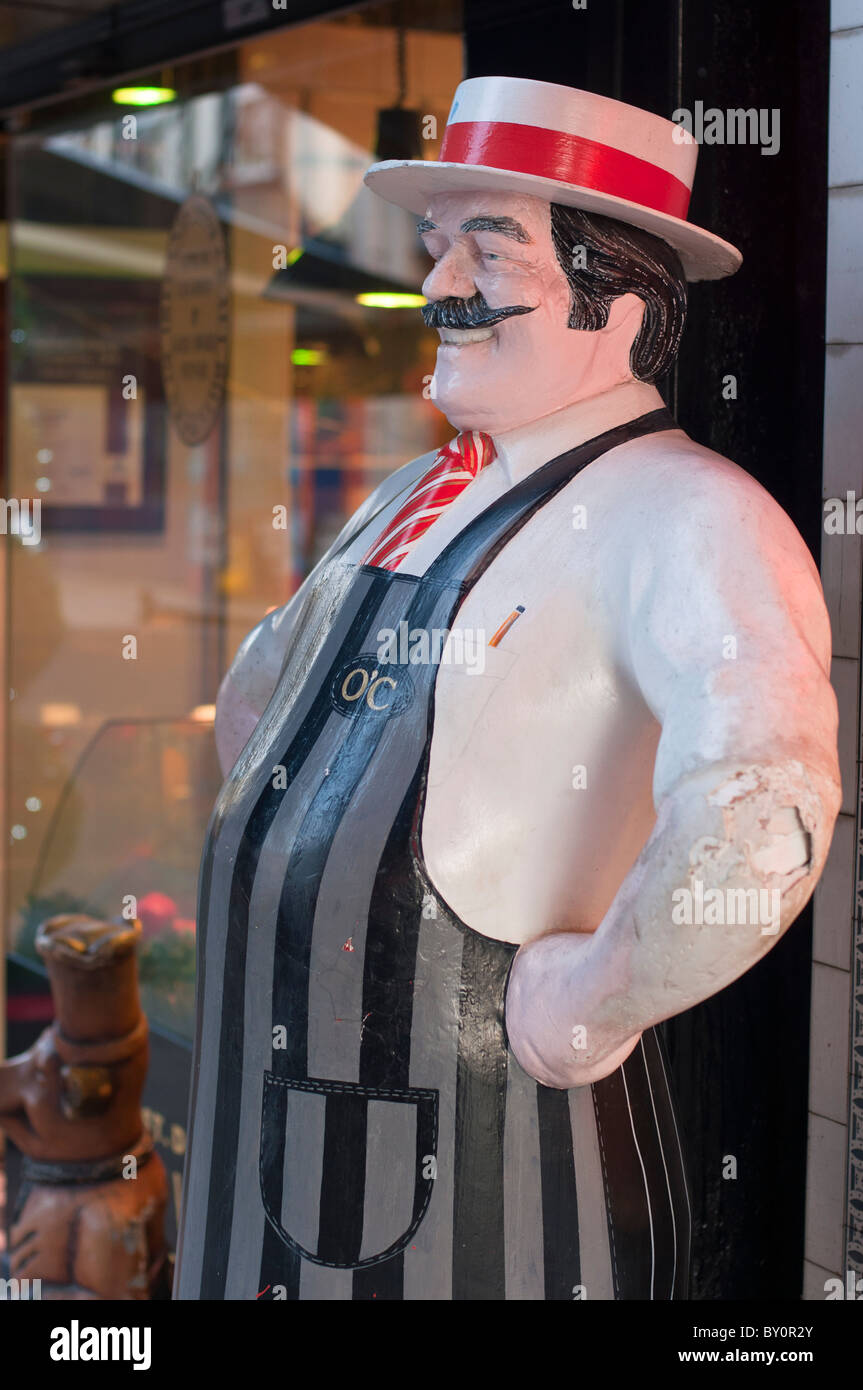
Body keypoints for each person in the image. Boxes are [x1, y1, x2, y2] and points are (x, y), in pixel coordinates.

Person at [175, 76, 840, 1301]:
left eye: (492, 250)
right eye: (440, 248)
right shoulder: (412, 494)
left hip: (478, 1167)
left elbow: (765, 812)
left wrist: (587, 1001)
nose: (438, 287)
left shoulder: (692, 516)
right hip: (256, 1146)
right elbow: (262, 701)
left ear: (621, 305)